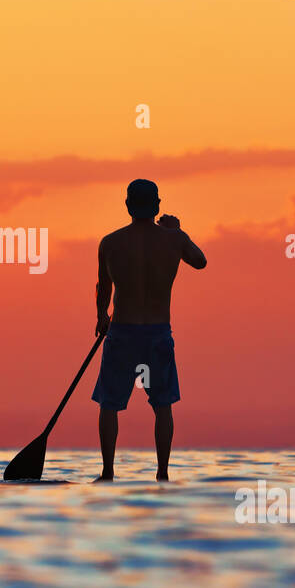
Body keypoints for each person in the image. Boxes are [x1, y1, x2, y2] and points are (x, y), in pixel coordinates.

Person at [91, 179, 206, 481]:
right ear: (156, 206)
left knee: (109, 404)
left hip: (122, 333)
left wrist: (102, 315)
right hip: (156, 334)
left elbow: (105, 288)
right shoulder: (173, 241)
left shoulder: (111, 243)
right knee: (163, 405)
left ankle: (107, 472)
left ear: (128, 206)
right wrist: (179, 232)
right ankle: (162, 474)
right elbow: (200, 261)